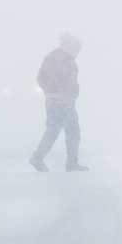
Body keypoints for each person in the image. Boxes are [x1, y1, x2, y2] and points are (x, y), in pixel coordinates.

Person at [30, 32, 88, 172]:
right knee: (73, 131)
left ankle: (38, 156)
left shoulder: (50, 56)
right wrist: (72, 94)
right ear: (70, 46)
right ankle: (71, 162)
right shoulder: (68, 60)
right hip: (65, 101)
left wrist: (48, 90)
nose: (76, 53)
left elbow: (40, 77)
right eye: (76, 49)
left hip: (51, 101)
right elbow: (71, 81)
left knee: (52, 130)